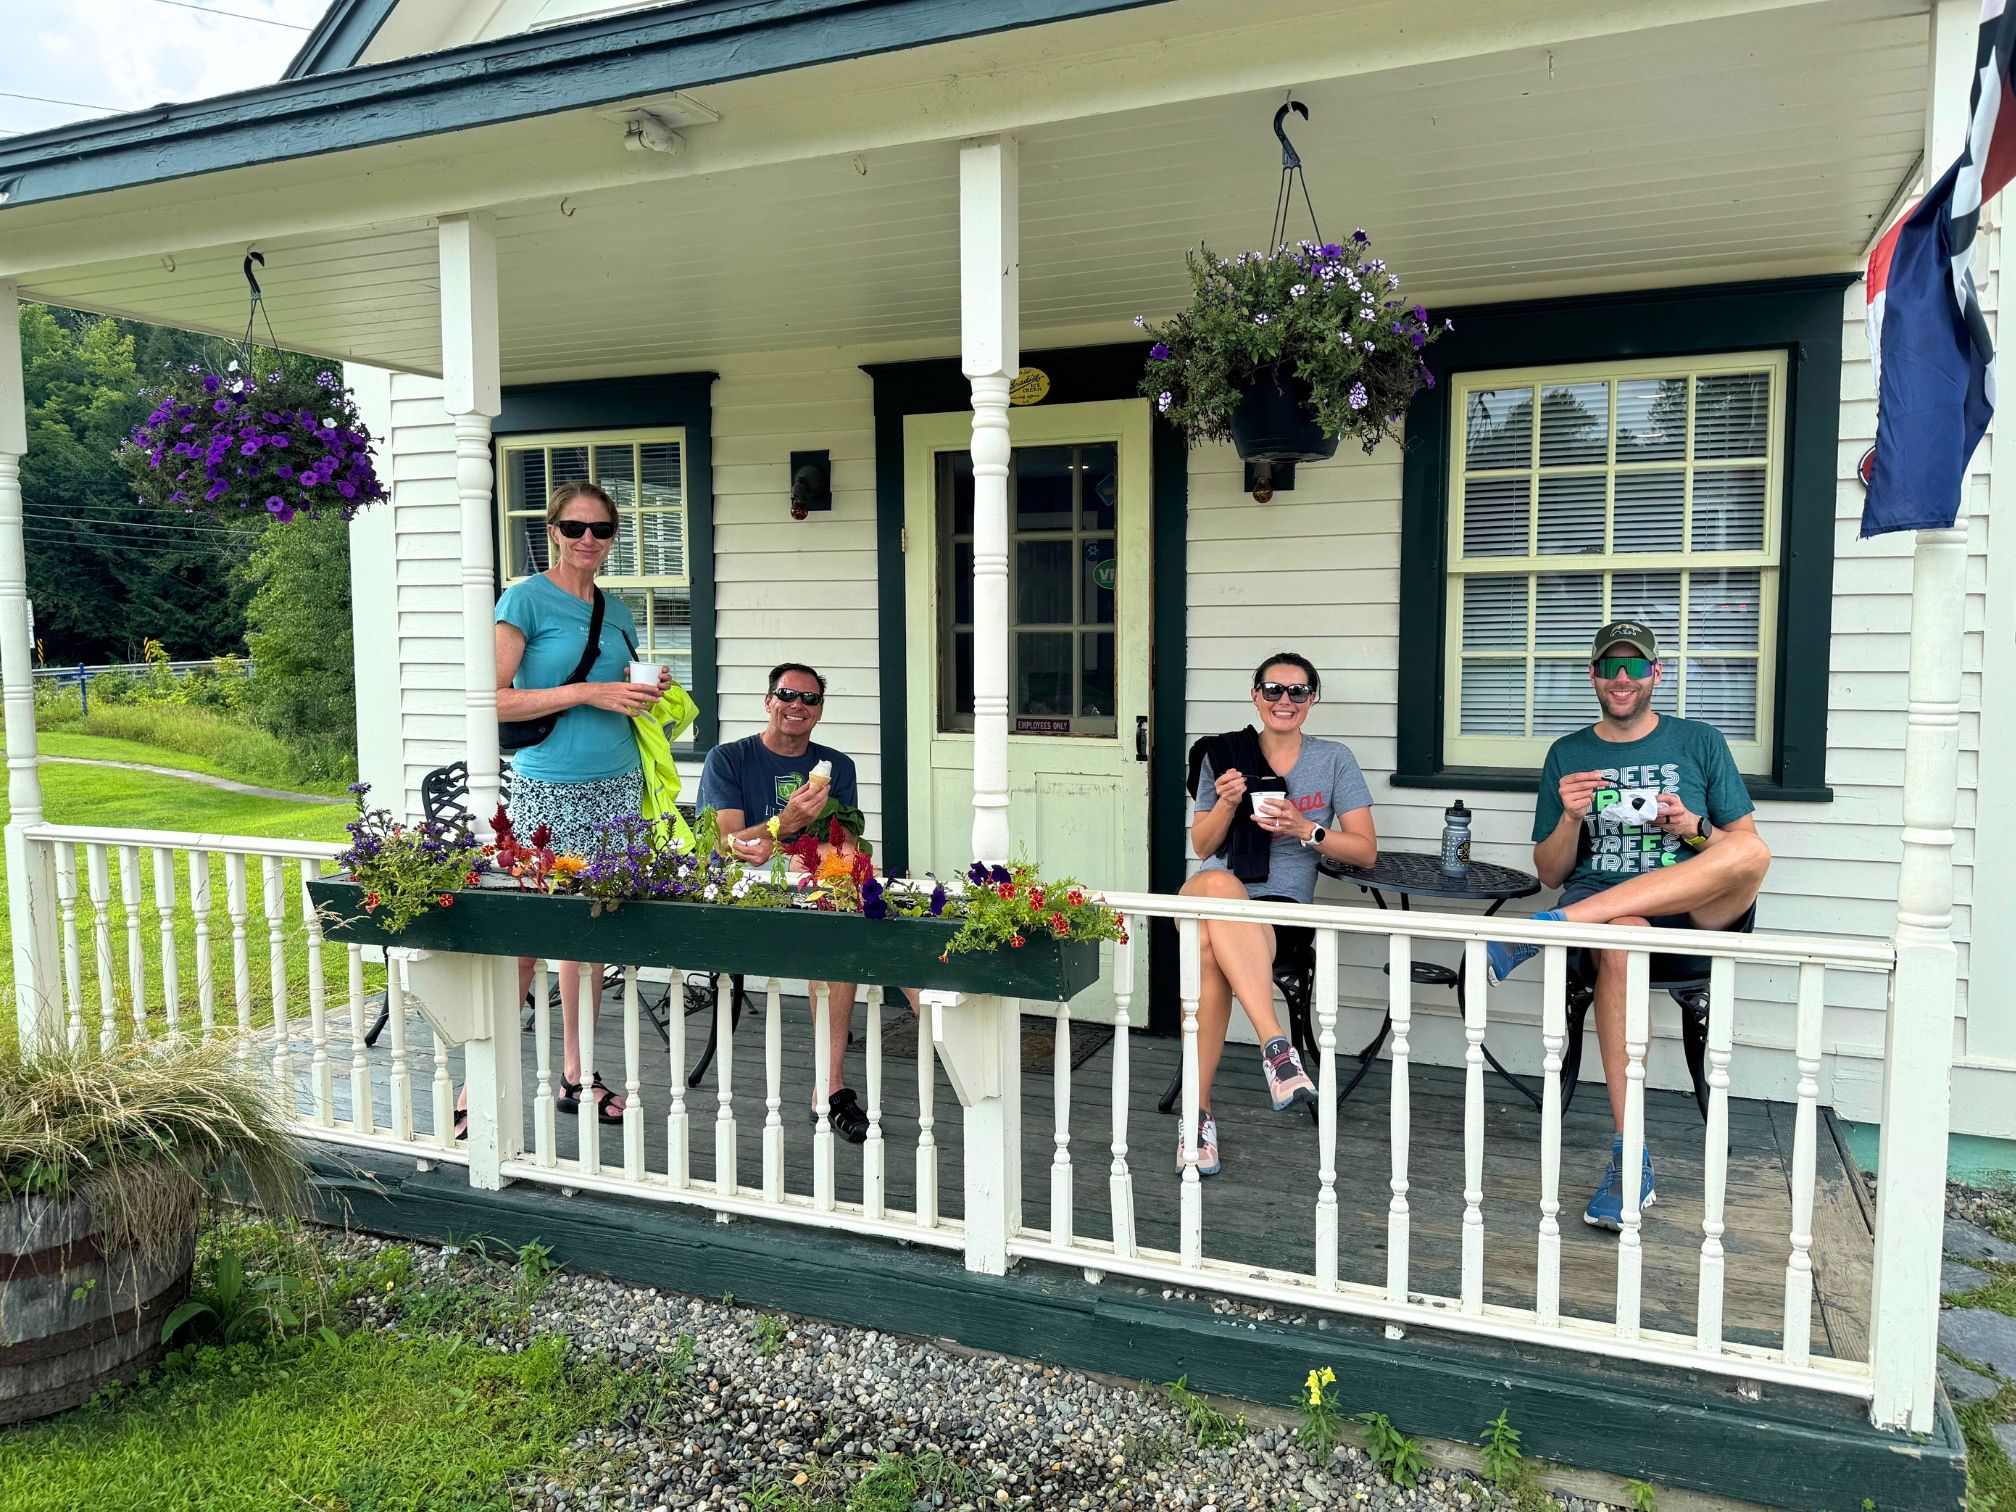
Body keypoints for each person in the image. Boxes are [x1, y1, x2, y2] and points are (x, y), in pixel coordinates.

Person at [1486, 619, 1771, 1231]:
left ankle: (1545, 930)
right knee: (1624, 937)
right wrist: (1568, 818)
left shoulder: (1700, 742)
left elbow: (1738, 848)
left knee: (1754, 853)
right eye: (1611, 667)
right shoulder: (1568, 753)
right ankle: (1630, 1153)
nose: (1623, 678)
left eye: (1636, 666)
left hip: (1695, 912)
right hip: (1612, 914)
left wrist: (1689, 827)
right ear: (1593, 676)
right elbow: (1552, 870)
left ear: (1655, 675)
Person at [489, 480, 671, 1132]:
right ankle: (487, 1077)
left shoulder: (617, 611)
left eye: (600, 530)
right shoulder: (524, 600)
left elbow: (615, 687)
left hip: (617, 785)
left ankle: (577, 1072)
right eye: (574, 528)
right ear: (553, 532)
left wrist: (640, 689)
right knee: (533, 939)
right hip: (549, 788)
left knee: (591, 936)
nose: (587, 540)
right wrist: (587, 694)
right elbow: (493, 698)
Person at [1179, 652, 1376, 1176]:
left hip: (1279, 910)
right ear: (1255, 696)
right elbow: (1202, 846)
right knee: (1219, 883)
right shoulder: (1222, 756)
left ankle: (1196, 1120)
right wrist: (1224, 804)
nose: (1283, 700)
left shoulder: (1334, 759)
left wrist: (1303, 828)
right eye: (1272, 690)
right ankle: (1276, 1047)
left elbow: (1365, 851)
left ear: (1312, 700)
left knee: (1207, 954)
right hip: (1211, 890)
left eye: (1297, 691)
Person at [699, 662, 895, 1145]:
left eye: (809, 700)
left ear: (819, 711)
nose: (797, 706)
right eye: (787, 695)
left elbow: (844, 844)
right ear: (769, 701)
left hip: (812, 891)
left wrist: (793, 846)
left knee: (841, 925)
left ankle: (829, 1087)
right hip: (743, 901)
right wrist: (783, 824)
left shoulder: (838, 765)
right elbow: (723, 845)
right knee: (841, 920)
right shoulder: (728, 759)